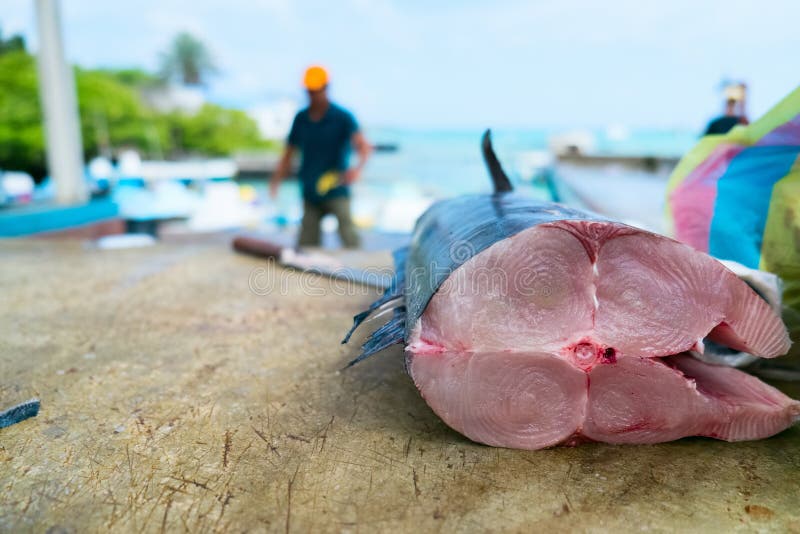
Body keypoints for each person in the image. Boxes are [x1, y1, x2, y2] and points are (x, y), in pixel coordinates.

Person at [270, 65, 371, 248]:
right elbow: (288, 154)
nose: (313, 95)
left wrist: (357, 169)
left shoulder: (342, 117)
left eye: (316, 91)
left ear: (326, 88)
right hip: (309, 190)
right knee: (306, 245)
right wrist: (276, 181)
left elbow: (363, 146)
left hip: (337, 188)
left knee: (350, 238)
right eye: (310, 92)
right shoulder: (301, 118)